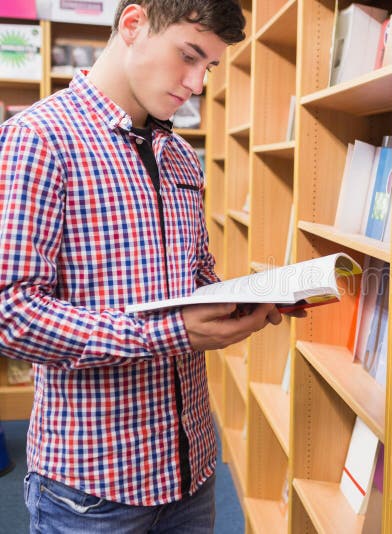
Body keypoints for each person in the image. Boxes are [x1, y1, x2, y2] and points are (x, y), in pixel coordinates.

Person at [0, 1, 291, 531]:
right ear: (133, 25)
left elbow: (197, 275)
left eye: (210, 67)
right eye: (189, 56)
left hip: (192, 469)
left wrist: (245, 298)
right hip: (92, 488)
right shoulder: (38, 139)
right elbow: (11, 314)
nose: (197, 84)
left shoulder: (180, 154)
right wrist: (167, 333)